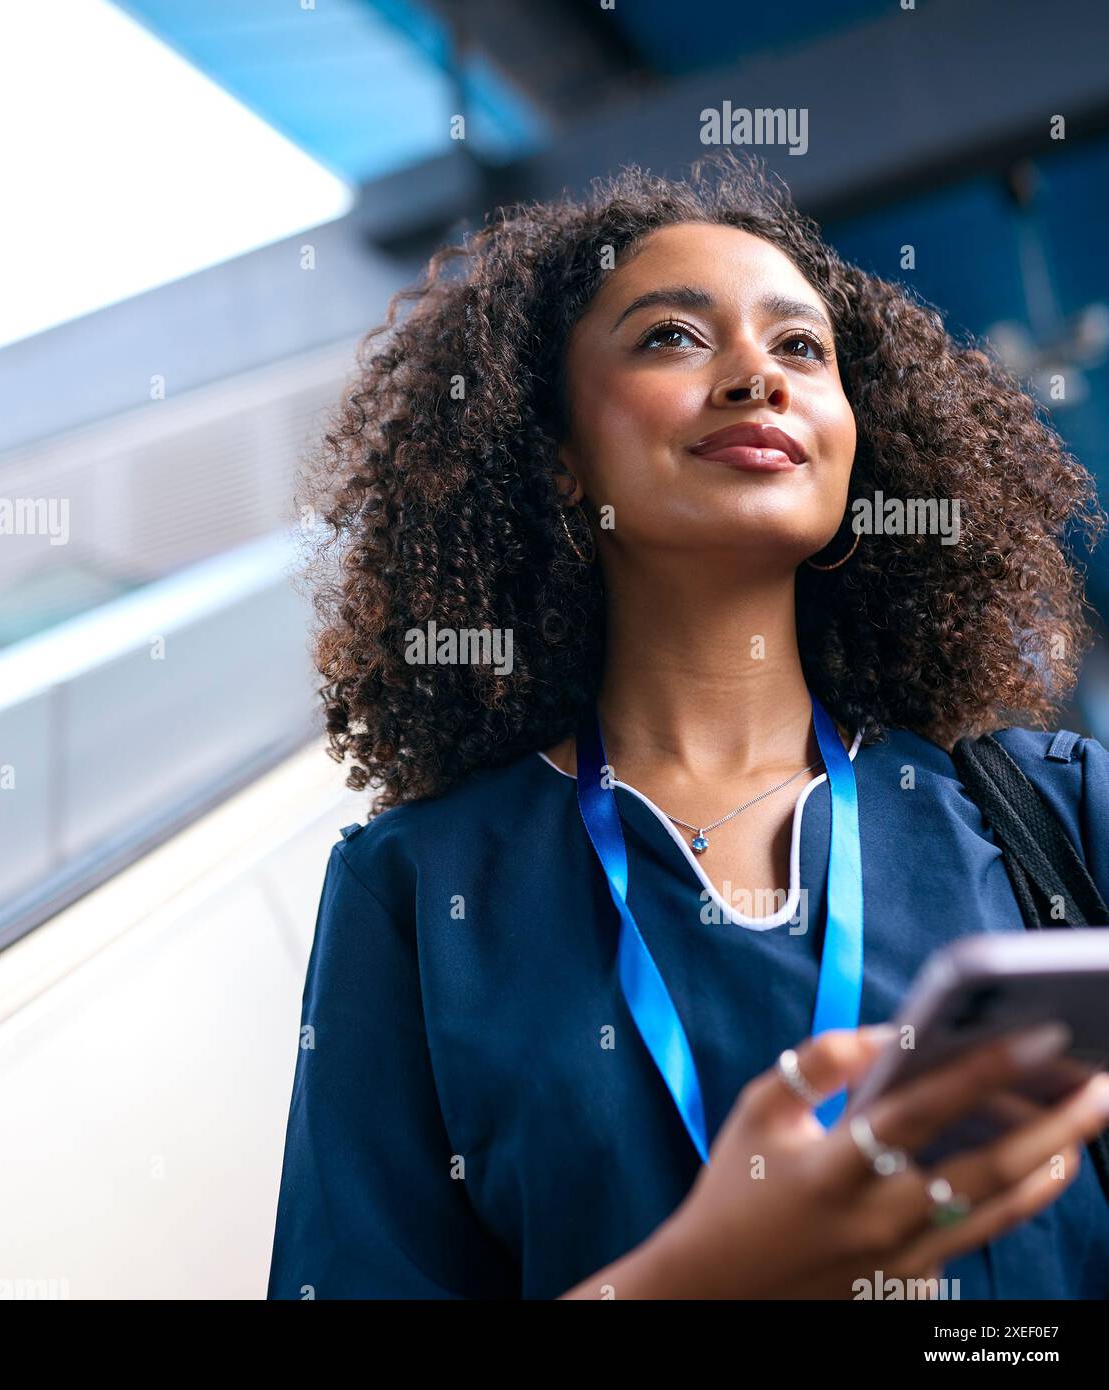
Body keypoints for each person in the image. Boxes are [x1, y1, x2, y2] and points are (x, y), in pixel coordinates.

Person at [267, 152, 1109, 1299]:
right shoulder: (414, 891)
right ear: (556, 454)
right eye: (672, 335)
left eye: (801, 346)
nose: (756, 376)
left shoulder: (1056, 811)